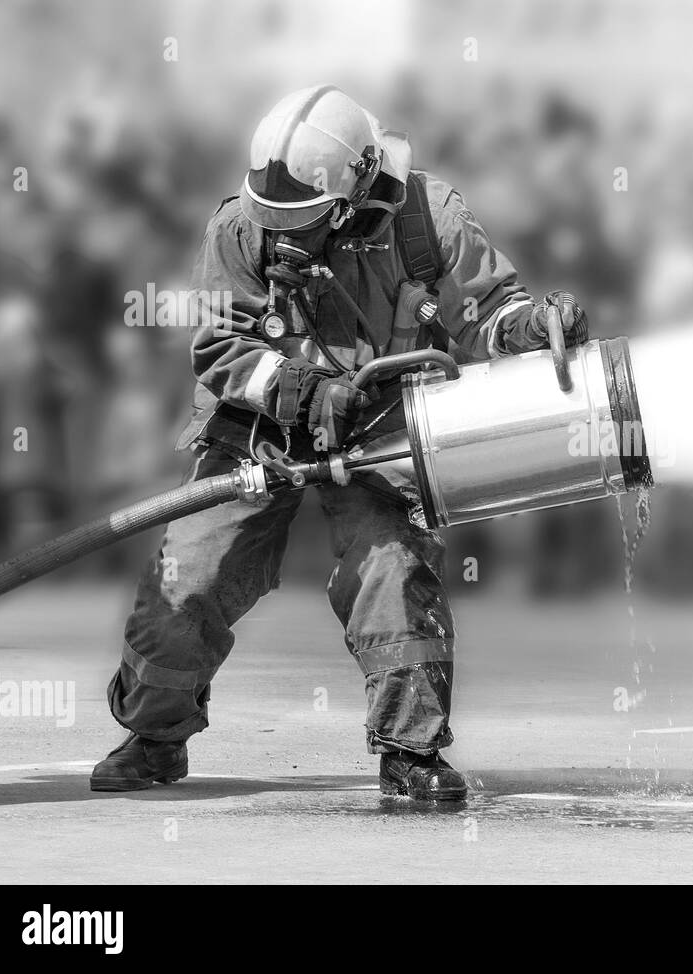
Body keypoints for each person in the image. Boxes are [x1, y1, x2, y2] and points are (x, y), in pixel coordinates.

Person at [91, 85, 588, 799]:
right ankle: (153, 739)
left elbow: (485, 314)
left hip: (381, 424)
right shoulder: (239, 227)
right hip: (259, 424)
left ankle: (409, 753)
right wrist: (300, 390)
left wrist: (534, 327)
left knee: (391, 569)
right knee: (190, 573)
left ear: (355, 185)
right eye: (276, 219)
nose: (285, 236)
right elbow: (222, 347)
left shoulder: (428, 218)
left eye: (305, 220)